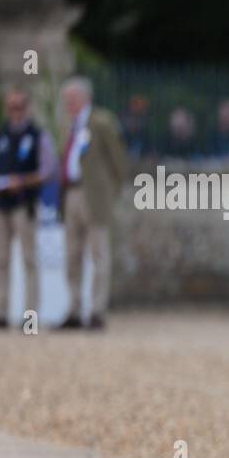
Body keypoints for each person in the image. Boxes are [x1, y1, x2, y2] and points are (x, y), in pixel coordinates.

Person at [0, 87, 57, 328]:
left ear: (27, 107)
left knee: (28, 259)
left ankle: (31, 314)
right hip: (1, 203)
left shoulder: (38, 136)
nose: (15, 111)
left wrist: (23, 181)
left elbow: (48, 168)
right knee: (1, 259)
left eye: (20, 106)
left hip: (24, 204)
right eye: (12, 106)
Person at [58, 76, 128, 330]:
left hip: (94, 197)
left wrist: (112, 192)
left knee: (99, 254)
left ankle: (97, 310)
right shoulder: (71, 126)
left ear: (85, 98)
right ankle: (74, 309)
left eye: (72, 99)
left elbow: (118, 159)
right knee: (72, 254)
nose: (68, 104)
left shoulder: (101, 122)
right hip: (72, 193)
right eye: (67, 100)